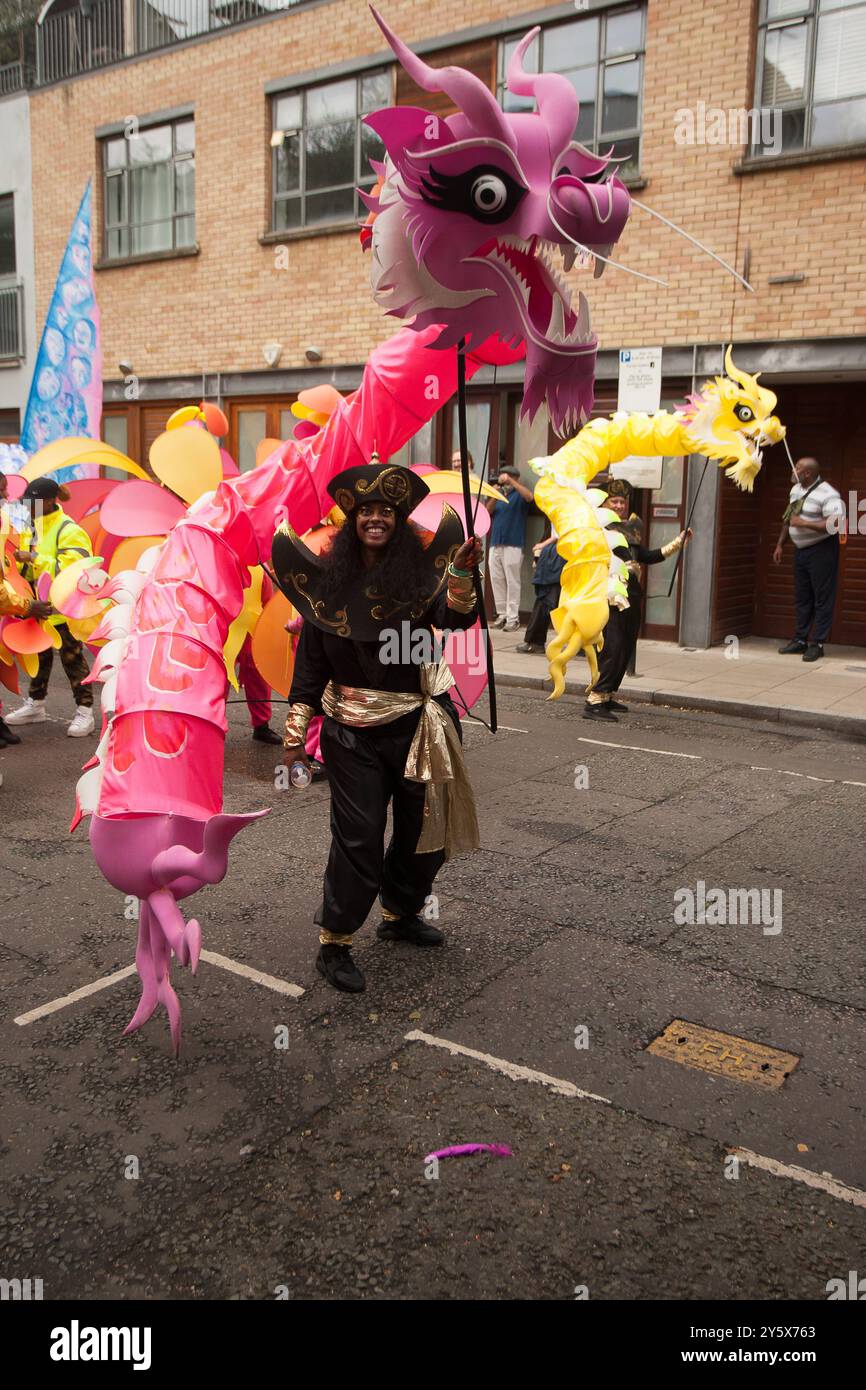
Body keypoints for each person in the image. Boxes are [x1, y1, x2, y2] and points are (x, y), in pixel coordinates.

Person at [275, 458, 482, 994]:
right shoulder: (329, 586)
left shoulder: (417, 578)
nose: (375, 519)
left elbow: (457, 618)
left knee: (423, 832)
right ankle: (335, 942)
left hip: (420, 723)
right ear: (352, 522)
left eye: (384, 511)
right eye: (365, 511)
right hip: (353, 735)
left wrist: (460, 574)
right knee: (359, 838)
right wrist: (296, 734)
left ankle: (399, 914)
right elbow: (311, 668)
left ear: (396, 521)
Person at [584, 479, 690, 722]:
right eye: (615, 501)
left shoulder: (630, 530)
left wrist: (678, 542)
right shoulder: (598, 529)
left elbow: (649, 556)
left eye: (622, 501)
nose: (619, 505)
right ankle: (595, 699)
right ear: (606, 504)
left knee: (626, 646)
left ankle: (607, 694)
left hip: (632, 595)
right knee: (613, 646)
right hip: (610, 596)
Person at [4, 476, 96, 737]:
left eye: (32, 503)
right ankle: (36, 703)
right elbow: (25, 566)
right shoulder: (34, 526)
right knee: (38, 656)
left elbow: (77, 567)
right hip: (37, 607)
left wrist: (33, 558)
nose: (27, 508)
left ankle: (85, 711)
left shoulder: (68, 529)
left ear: (48, 502)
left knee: (72, 658)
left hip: (63, 609)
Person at [0, 474, 53, 750]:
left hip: (49, 605)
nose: (5, 497)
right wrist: (25, 604)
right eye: (1, 491)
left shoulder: (58, 527)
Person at [774, 457, 844, 663]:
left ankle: (818, 644)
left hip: (822, 551)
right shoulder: (795, 490)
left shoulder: (829, 493)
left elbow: (836, 523)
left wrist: (803, 523)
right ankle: (800, 640)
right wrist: (780, 544)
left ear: (808, 474)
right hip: (801, 551)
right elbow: (788, 518)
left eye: (797, 468)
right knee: (803, 597)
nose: (793, 470)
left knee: (822, 598)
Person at [485, 465, 534, 631]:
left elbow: (530, 497)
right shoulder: (498, 495)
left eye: (506, 477)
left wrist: (512, 481)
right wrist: (495, 493)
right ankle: (502, 615)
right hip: (495, 543)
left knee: (513, 581)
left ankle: (513, 618)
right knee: (497, 579)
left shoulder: (519, 495)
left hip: (513, 543)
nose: (503, 480)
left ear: (515, 478)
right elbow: (487, 511)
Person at [516, 527, 565, 653]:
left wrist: (544, 544)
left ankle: (535, 641)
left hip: (560, 557)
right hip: (561, 556)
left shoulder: (566, 509)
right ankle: (535, 641)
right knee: (549, 600)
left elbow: (561, 533)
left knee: (547, 600)